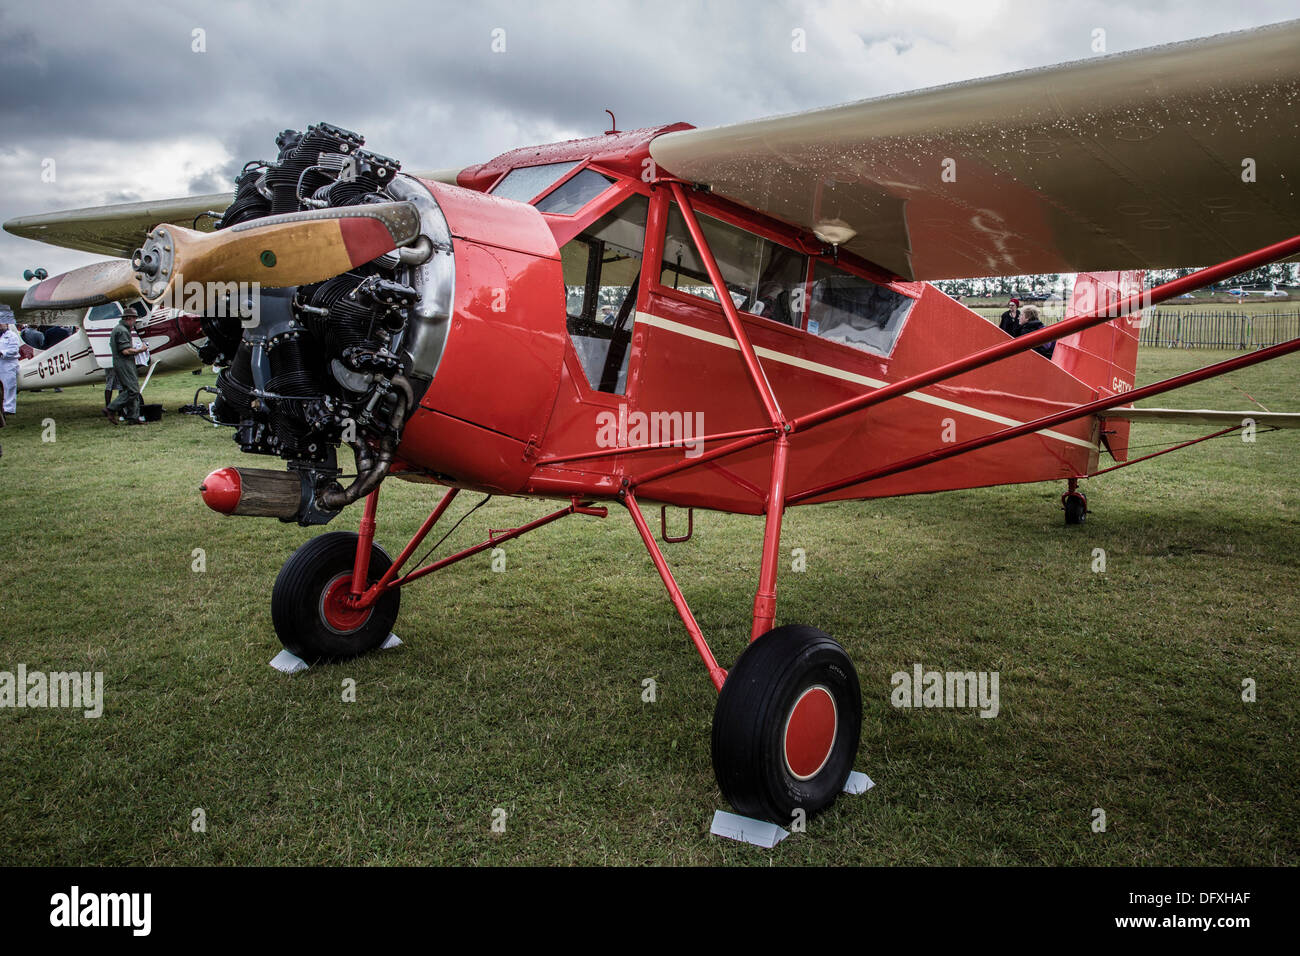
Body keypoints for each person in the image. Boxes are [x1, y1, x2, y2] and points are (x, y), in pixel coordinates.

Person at [106, 309, 148, 424]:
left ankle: (133, 417)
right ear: (129, 318)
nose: (135, 321)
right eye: (134, 319)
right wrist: (141, 350)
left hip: (123, 363)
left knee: (129, 389)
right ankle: (111, 408)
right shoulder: (122, 330)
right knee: (133, 390)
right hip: (124, 363)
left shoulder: (120, 329)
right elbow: (125, 351)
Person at [0, 307, 20, 415]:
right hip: (1, 363)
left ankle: (9, 408)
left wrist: (2, 353)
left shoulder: (12, 336)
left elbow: (14, 350)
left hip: (9, 364)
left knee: (9, 386)